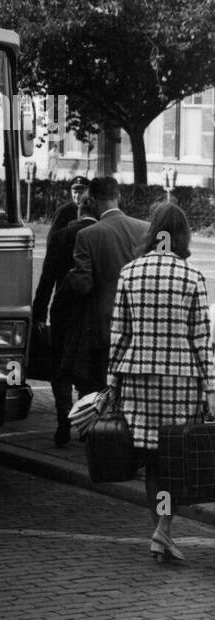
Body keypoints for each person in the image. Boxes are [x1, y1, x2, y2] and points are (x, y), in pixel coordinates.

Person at [107, 203, 215, 563]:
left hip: (138, 379)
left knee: (154, 461)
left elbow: (119, 335)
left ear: (152, 231)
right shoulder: (192, 277)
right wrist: (211, 391)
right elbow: (202, 341)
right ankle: (164, 530)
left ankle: (159, 531)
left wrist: (111, 384)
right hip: (181, 382)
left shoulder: (130, 272)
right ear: (182, 235)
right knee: (177, 460)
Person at [63, 177, 148, 392]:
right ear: (118, 196)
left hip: (103, 329)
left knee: (99, 393)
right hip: (140, 325)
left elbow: (82, 285)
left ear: (92, 201)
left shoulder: (87, 235)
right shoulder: (145, 229)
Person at [33, 198, 98, 446]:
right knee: (88, 369)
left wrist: (39, 312)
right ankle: (85, 425)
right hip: (90, 313)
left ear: (79, 212)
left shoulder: (61, 235)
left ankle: (63, 420)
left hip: (62, 310)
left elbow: (47, 277)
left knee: (60, 368)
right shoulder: (100, 235)